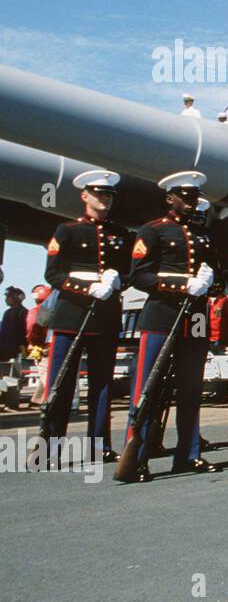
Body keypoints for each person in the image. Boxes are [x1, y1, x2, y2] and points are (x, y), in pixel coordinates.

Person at [123, 171, 220, 480]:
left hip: (197, 317)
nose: (191, 202)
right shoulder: (152, 231)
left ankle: (189, 454)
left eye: (195, 197)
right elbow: (139, 275)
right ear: (170, 198)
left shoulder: (203, 235)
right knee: (148, 387)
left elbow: (217, 273)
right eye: (185, 196)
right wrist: (183, 285)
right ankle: (137, 456)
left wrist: (211, 282)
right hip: (162, 315)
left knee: (191, 387)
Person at [38, 169, 131, 460]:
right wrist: (88, 288)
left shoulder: (121, 234)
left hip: (104, 319)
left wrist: (119, 281)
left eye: (109, 195)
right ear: (85, 195)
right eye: (99, 193)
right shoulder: (66, 230)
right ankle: (51, 445)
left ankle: (99, 445)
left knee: (102, 385)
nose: (104, 199)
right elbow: (52, 274)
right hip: (71, 317)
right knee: (62, 382)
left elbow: (130, 273)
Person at [0, 287, 27, 413]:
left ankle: (11, 402)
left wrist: (22, 349)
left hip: (15, 350)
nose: (6, 299)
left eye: (8, 296)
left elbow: (23, 333)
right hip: (5, 349)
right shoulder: (8, 313)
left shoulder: (22, 313)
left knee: (14, 376)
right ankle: (6, 400)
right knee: (6, 377)